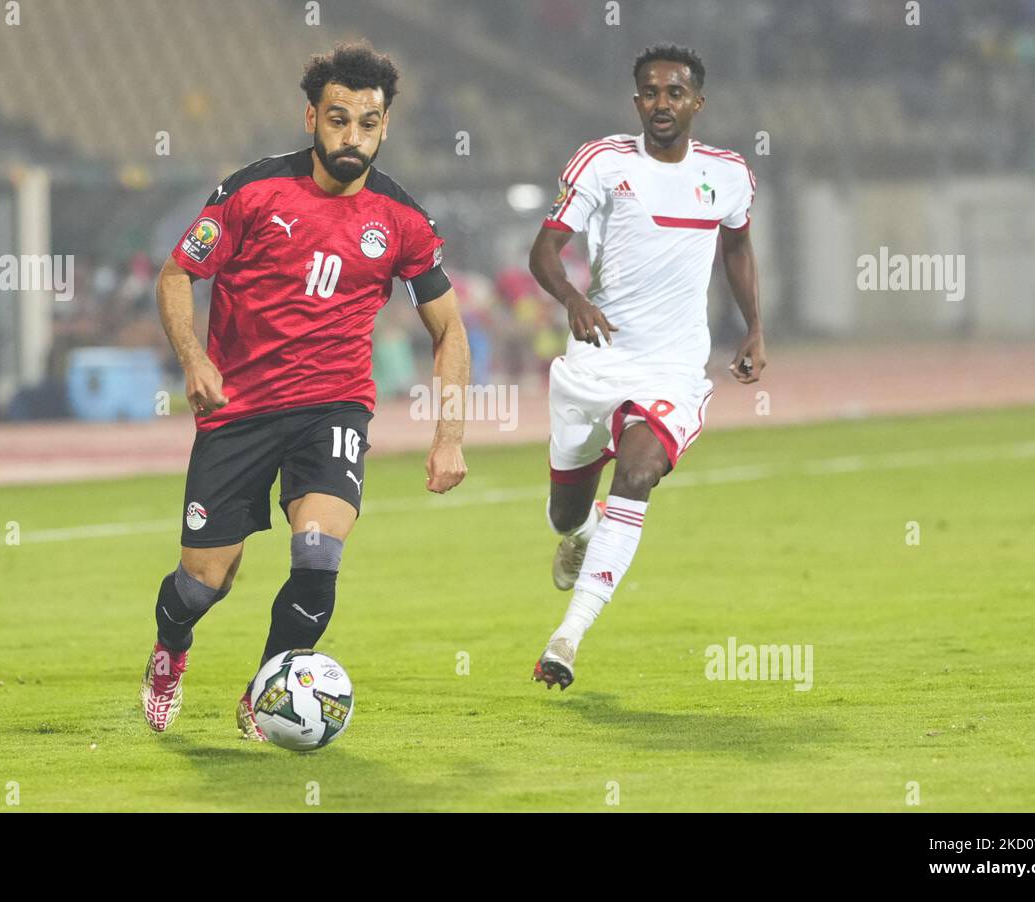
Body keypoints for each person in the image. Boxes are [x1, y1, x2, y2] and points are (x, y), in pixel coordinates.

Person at [142, 42, 470, 738]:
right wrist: (195, 359)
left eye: (369, 123)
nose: (353, 136)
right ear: (311, 117)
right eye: (339, 119)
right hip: (238, 413)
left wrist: (449, 437)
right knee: (204, 582)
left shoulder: (403, 221)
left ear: (386, 127)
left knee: (318, 556)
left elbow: (449, 330)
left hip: (334, 409)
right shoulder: (251, 193)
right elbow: (176, 275)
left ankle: (265, 693)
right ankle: (171, 650)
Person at [528, 44, 766, 690]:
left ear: (697, 102)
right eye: (650, 93)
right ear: (637, 102)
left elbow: (738, 245)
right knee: (564, 513)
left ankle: (567, 638)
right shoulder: (602, 162)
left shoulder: (730, 174)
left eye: (675, 92)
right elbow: (545, 250)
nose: (662, 103)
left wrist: (753, 327)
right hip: (595, 363)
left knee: (636, 472)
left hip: (672, 370)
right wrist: (573, 300)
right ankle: (579, 533)